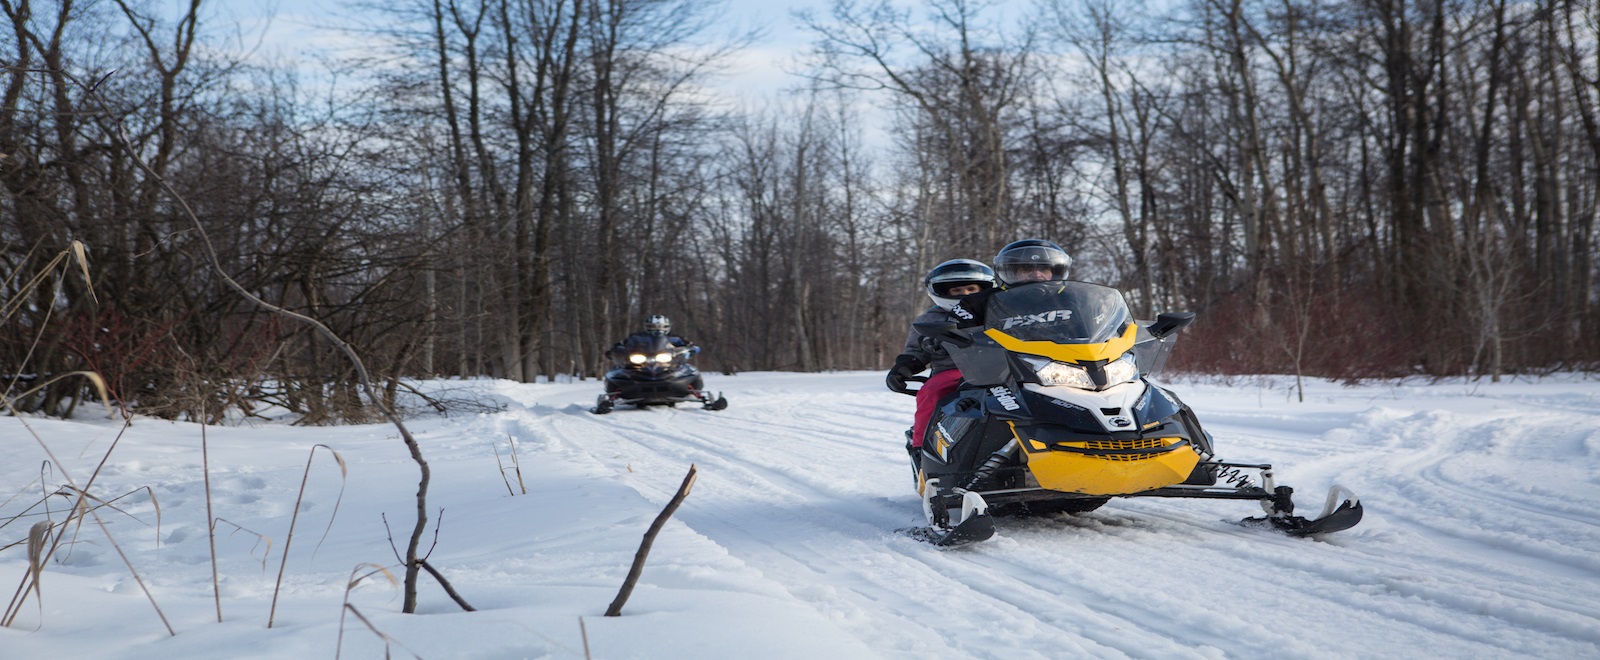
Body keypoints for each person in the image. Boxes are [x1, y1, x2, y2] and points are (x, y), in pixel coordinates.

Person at [885, 259, 997, 458]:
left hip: (1004, 368)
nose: (965, 294)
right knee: (932, 391)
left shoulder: (998, 313)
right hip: (954, 371)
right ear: (944, 293)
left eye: (972, 289)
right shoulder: (930, 319)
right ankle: (921, 447)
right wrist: (903, 368)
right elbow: (915, 351)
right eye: (957, 291)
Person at [948, 239, 1073, 328]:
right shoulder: (977, 303)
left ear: (1056, 271)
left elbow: (1091, 332)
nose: (1036, 275)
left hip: (1066, 361)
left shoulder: (1075, 300)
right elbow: (955, 334)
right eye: (1026, 269)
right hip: (998, 363)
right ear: (1012, 272)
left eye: (1044, 269)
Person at [607, 315, 696, 363]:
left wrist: (689, 350)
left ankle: (694, 391)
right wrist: (618, 350)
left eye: (661, 327)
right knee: (618, 373)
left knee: (689, 371)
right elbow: (622, 344)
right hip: (640, 363)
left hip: (669, 363)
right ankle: (615, 392)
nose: (658, 329)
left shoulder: (675, 338)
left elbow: (691, 346)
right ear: (646, 327)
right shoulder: (637, 337)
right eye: (653, 327)